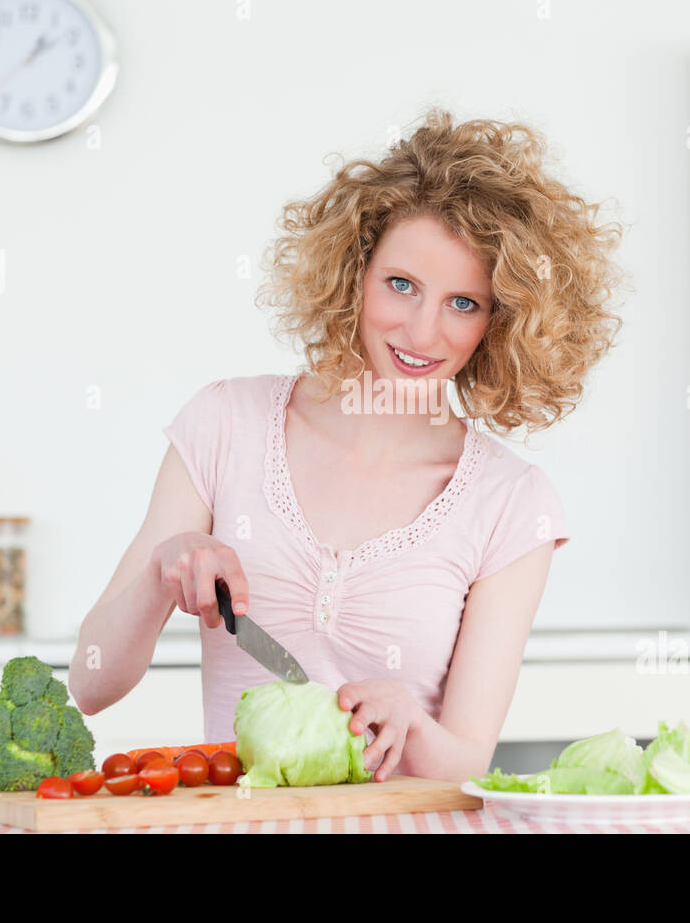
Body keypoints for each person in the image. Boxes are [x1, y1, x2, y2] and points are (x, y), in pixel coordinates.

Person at [69, 108, 626, 783]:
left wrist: (410, 723)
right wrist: (165, 566)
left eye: (463, 303)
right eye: (401, 285)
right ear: (352, 272)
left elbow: (464, 766)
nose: (423, 332)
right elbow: (92, 685)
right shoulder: (225, 425)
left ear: (503, 320)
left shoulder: (511, 503)